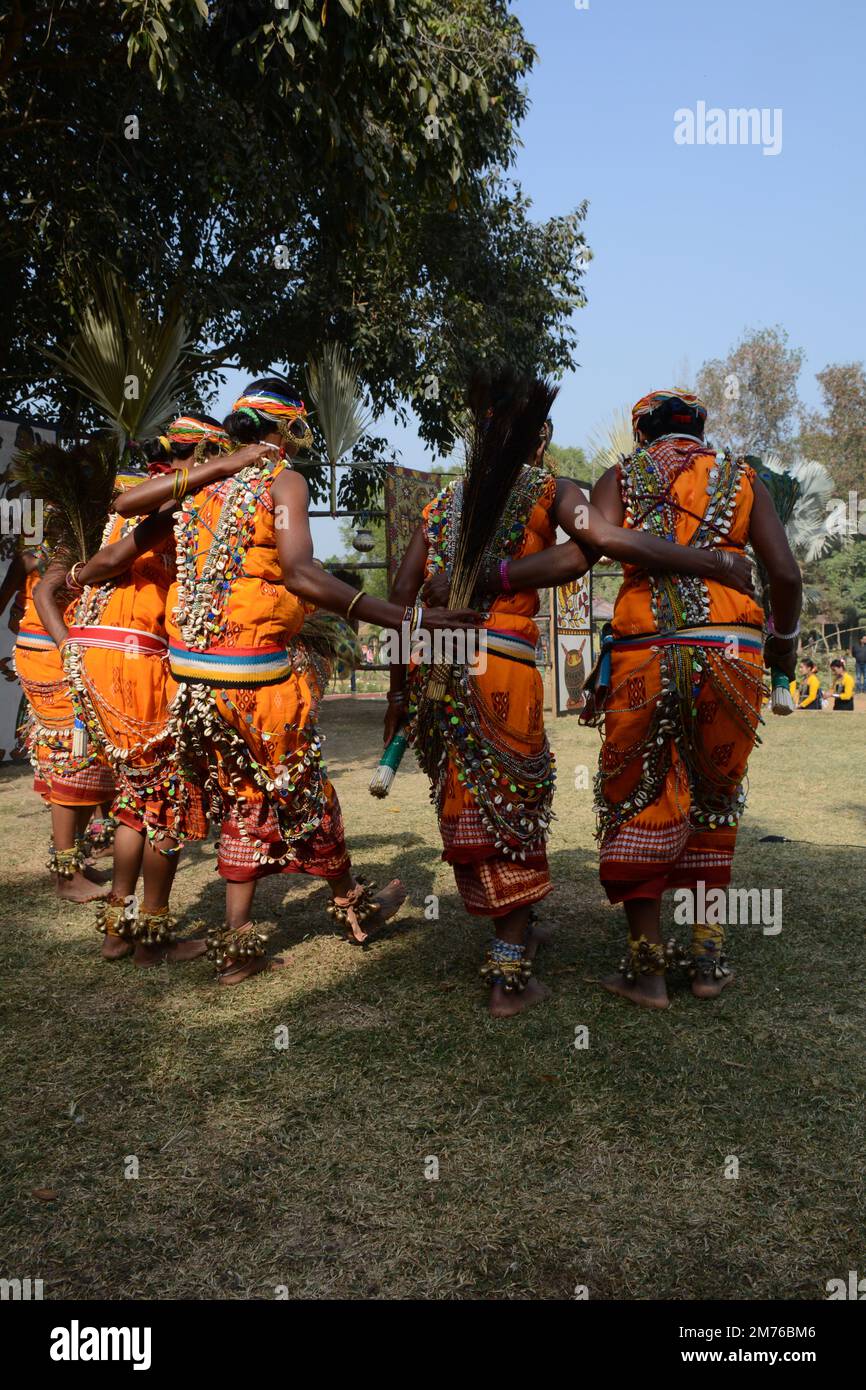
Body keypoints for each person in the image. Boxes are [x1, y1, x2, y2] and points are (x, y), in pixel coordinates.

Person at [395, 377, 761, 1018]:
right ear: (540, 439)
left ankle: (554, 953)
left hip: (441, 665)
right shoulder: (555, 490)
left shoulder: (439, 506)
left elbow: (402, 595)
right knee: (519, 799)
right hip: (515, 661)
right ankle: (696, 959)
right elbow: (585, 551)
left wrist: (401, 685)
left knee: (472, 799)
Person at [120, 379, 480, 985]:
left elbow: (131, 507)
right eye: (300, 429)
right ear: (285, 429)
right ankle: (351, 905)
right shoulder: (282, 480)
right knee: (303, 793)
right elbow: (301, 572)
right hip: (254, 680)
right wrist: (407, 615)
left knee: (244, 796)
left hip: (194, 681)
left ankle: (240, 945)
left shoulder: (201, 485)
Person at [581, 390, 802, 1007]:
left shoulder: (621, 477)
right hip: (731, 654)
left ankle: (647, 971)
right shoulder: (740, 477)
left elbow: (591, 541)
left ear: (641, 432)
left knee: (636, 797)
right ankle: (707, 964)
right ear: (700, 429)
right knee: (717, 796)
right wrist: (783, 644)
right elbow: (784, 575)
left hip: (643, 652)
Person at [34, 416, 237, 963]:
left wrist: (71, 643)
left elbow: (68, 579)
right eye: (216, 455)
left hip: (107, 656)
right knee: (168, 796)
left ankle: (119, 931)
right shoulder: (167, 501)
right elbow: (111, 561)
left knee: (136, 799)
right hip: (135, 661)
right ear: (199, 455)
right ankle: (150, 938)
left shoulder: (132, 490)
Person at [13, 542, 116, 901]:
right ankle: (66, 874)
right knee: (74, 757)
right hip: (55, 656)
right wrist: (67, 646)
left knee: (87, 758)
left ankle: (75, 861)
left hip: (51, 650)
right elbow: (42, 594)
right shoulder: (62, 547)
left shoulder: (35, 551)